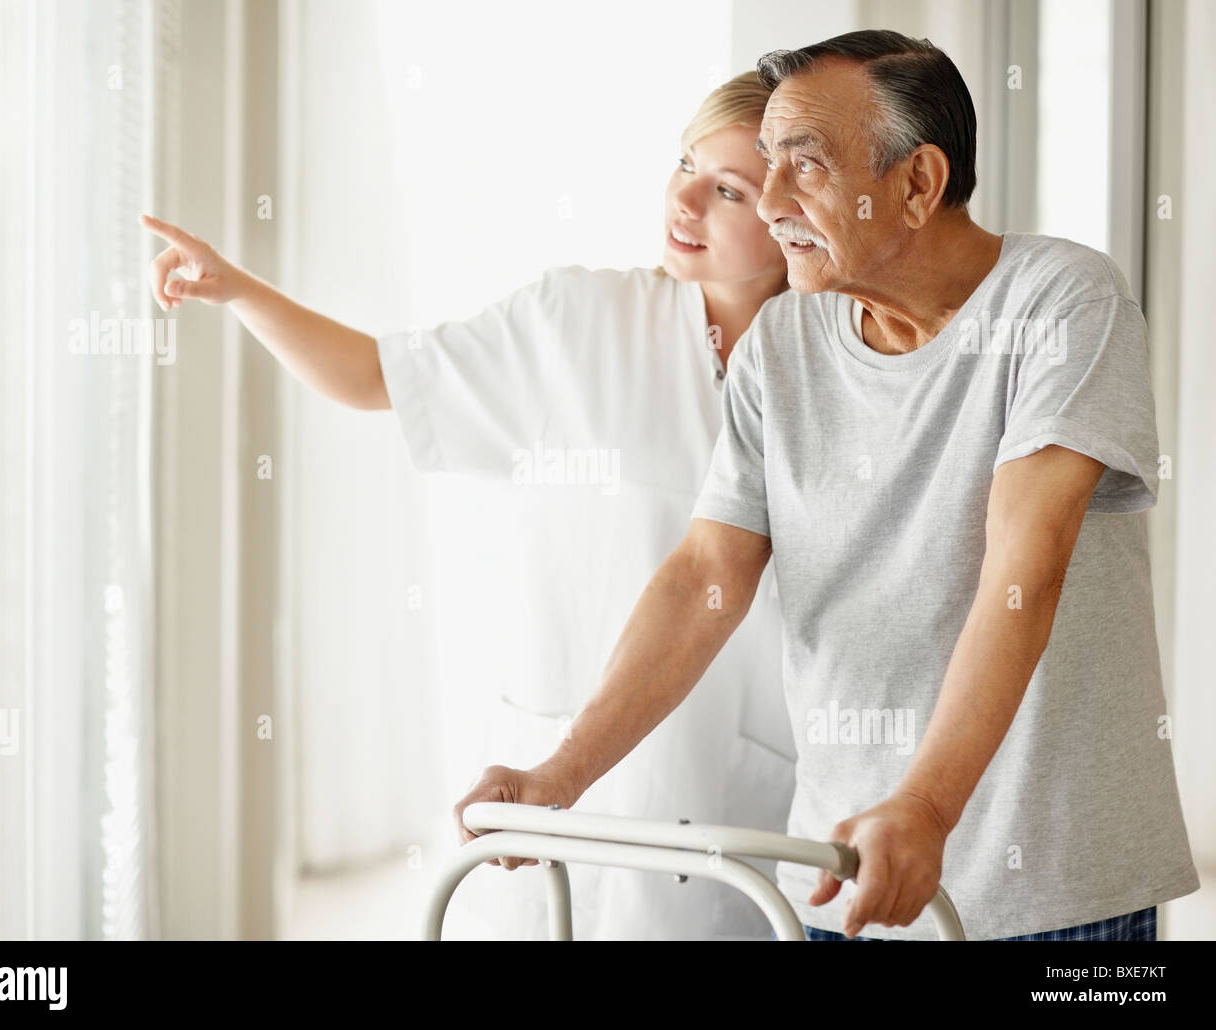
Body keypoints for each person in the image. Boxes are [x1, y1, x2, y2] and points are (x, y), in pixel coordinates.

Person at [455, 30, 1201, 942]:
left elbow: (1025, 567)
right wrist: (559, 775)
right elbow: (705, 577)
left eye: (801, 168)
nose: (767, 204)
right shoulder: (784, 344)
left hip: (1054, 888)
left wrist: (925, 809)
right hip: (840, 878)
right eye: (764, 166)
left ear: (919, 183)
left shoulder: (1063, 302)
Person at [141, 72, 798, 940]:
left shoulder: (827, 363)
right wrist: (239, 292)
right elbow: (380, 376)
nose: (681, 198)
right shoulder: (578, 324)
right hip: (570, 778)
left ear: (795, 218)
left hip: (742, 788)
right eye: (683, 162)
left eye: (727, 190)